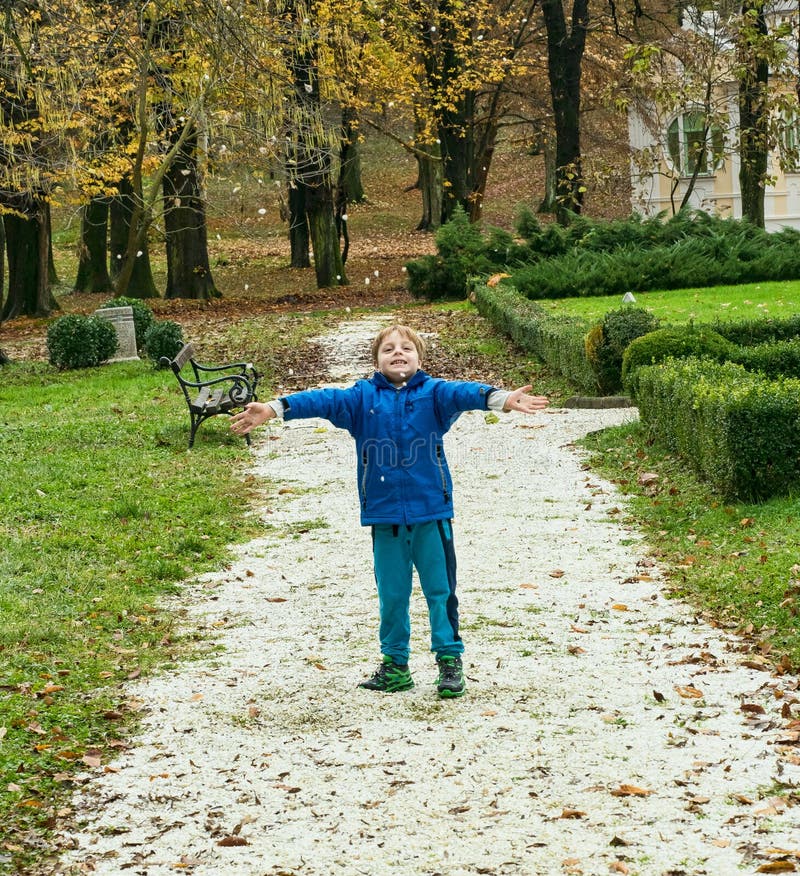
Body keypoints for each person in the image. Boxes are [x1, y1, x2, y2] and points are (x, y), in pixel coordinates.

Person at [230, 324, 548, 698]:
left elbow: (465, 393)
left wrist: (500, 398)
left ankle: (449, 662)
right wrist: (273, 408)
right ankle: (395, 665)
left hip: (431, 513)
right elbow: (321, 399)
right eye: (389, 349)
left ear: (419, 357)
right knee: (393, 595)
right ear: (376, 360)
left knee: (440, 591)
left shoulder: (435, 394)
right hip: (384, 518)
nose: (398, 353)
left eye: (407, 348)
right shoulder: (360, 399)